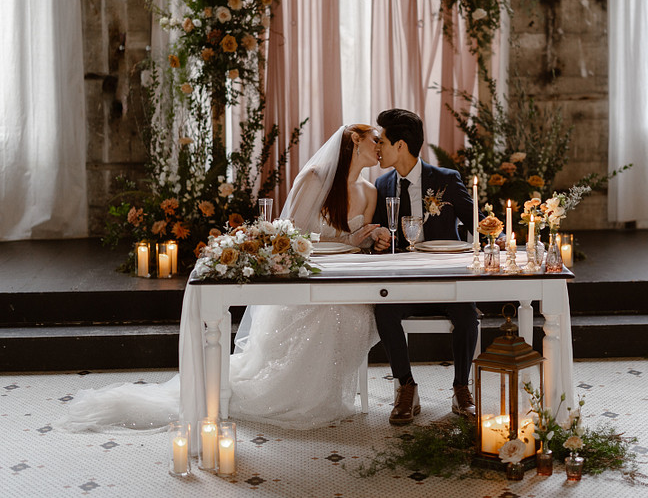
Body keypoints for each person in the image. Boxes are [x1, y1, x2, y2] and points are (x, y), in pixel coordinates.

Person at [61, 124, 390, 432]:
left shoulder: (370, 191)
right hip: (303, 276)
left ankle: (323, 392)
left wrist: (366, 237)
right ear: (355, 141)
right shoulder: (316, 178)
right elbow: (292, 236)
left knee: (359, 314)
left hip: (342, 278)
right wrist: (349, 240)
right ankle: (294, 394)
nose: (381, 147)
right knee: (326, 315)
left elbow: (352, 240)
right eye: (376, 139)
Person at [370, 108, 478, 425]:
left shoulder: (446, 180)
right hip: (403, 282)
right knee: (383, 309)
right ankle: (406, 387)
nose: (377, 148)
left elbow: (479, 223)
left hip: (445, 278)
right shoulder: (382, 184)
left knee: (466, 313)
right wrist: (376, 239)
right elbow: (379, 232)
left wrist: (497, 235)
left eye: (382, 141)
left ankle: (461, 387)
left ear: (400, 145)